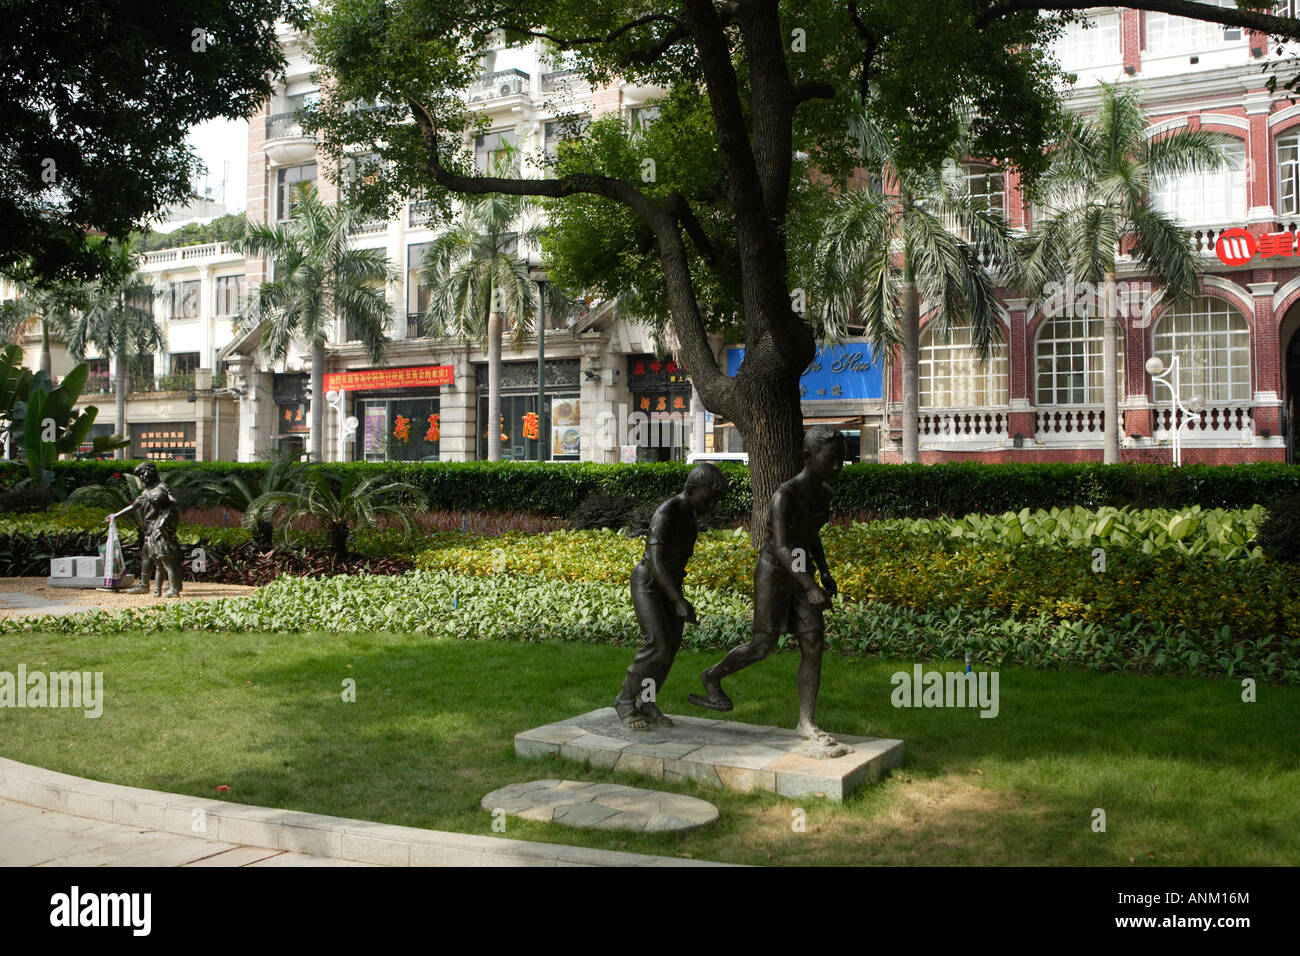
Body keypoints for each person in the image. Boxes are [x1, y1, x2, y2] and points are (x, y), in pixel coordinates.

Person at [690, 425, 852, 755]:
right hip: (775, 574)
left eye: (841, 460)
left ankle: (806, 722)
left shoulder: (823, 495)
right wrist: (811, 586)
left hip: (802, 571)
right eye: (831, 459)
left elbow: (810, 535)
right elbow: (781, 547)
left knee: (813, 640)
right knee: (763, 646)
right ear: (809, 458)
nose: (837, 467)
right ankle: (713, 676)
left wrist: (824, 572)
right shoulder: (784, 496)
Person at [614, 462, 729, 730]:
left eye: (714, 502)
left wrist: (679, 598)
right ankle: (624, 700)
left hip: (670, 586)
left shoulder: (690, 517)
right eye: (707, 499)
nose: (710, 506)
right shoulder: (668, 513)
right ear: (691, 489)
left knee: (668, 651)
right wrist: (677, 600)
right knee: (658, 645)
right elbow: (655, 561)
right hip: (649, 583)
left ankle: (648, 702)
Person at [107, 461, 183, 597]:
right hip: (149, 530)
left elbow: (173, 504)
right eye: (140, 475)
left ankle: (171, 587)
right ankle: (148, 585)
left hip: (160, 529)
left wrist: (166, 520)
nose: (142, 477)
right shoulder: (146, 492)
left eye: (143, 473)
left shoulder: (162, 487)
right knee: (148, 557)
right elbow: (134, 506)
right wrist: (116, 516)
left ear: (151, 471)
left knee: (165, 560)